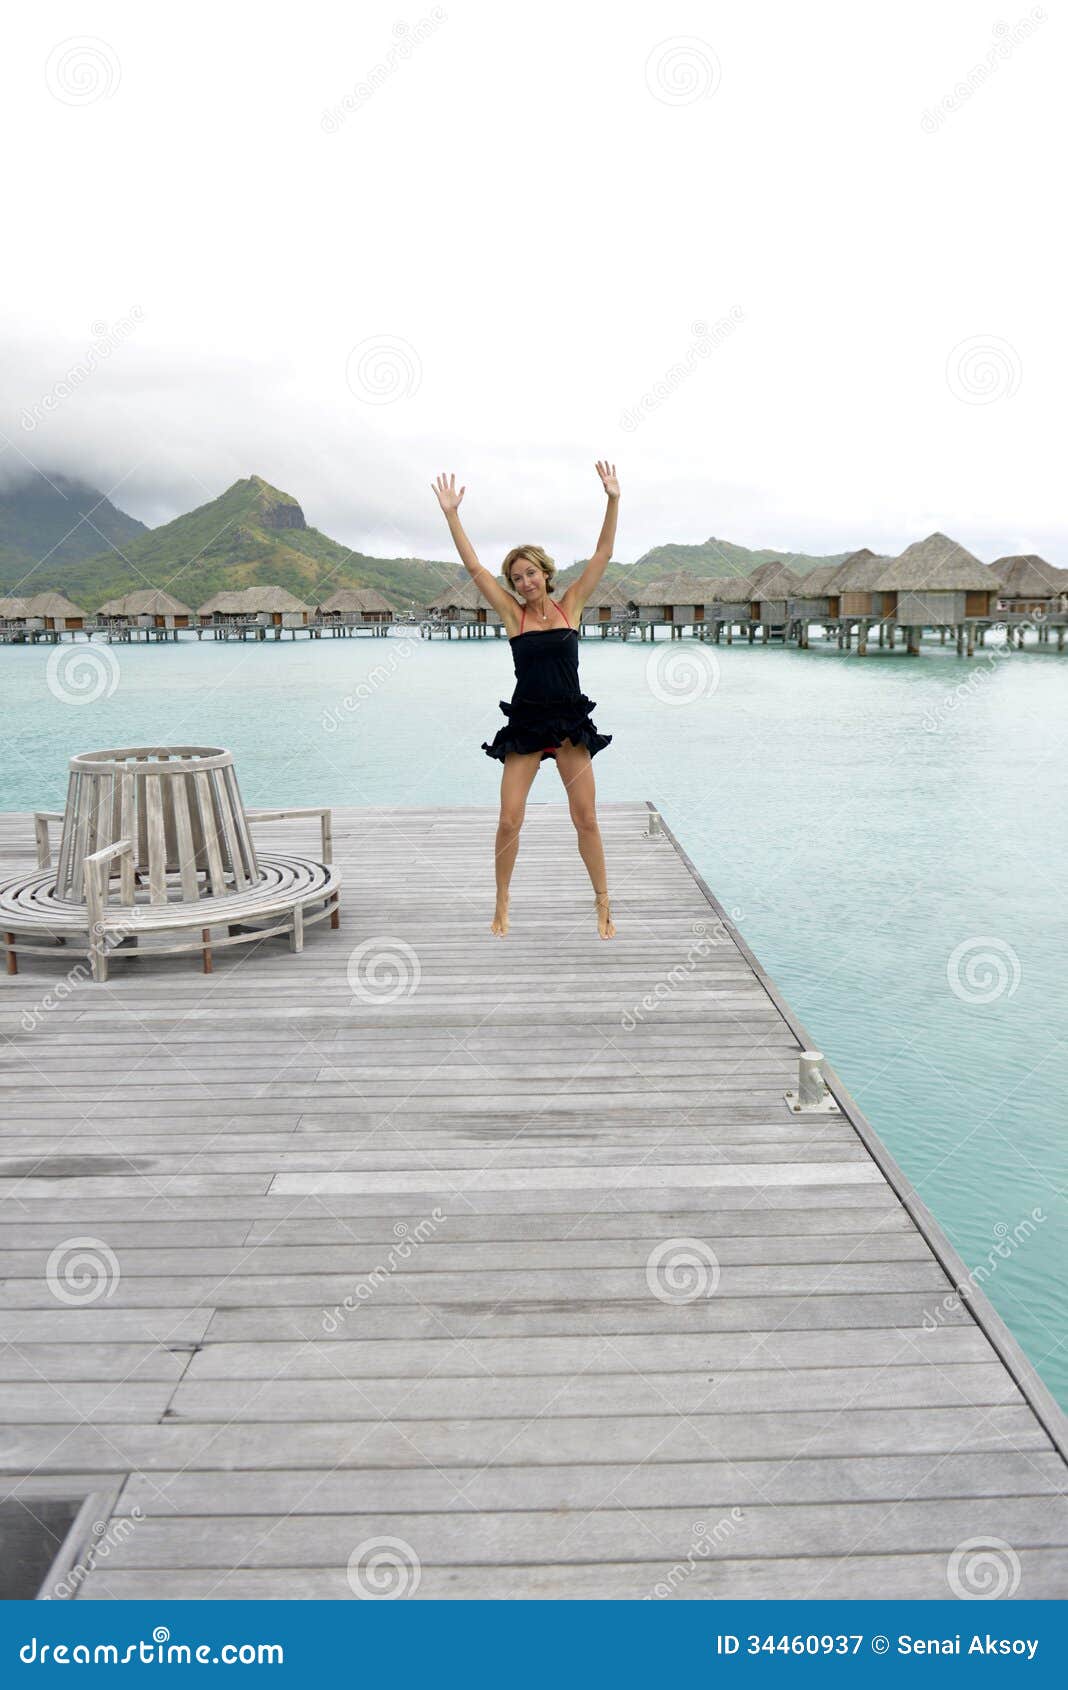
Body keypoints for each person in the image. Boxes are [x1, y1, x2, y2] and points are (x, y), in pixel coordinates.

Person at [432, 461, 620, 939]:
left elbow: (603, 552)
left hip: (569, 723)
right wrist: (452, 514)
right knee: (509, 819)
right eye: (516, 577)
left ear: (545, 573)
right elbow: (474, 567)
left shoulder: (570, 604)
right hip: (527, 725)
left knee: (586, 819)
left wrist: (612, 498)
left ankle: (602, 901)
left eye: (529, 573)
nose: (524, 582)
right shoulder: (512, 616)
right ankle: (501, 901)